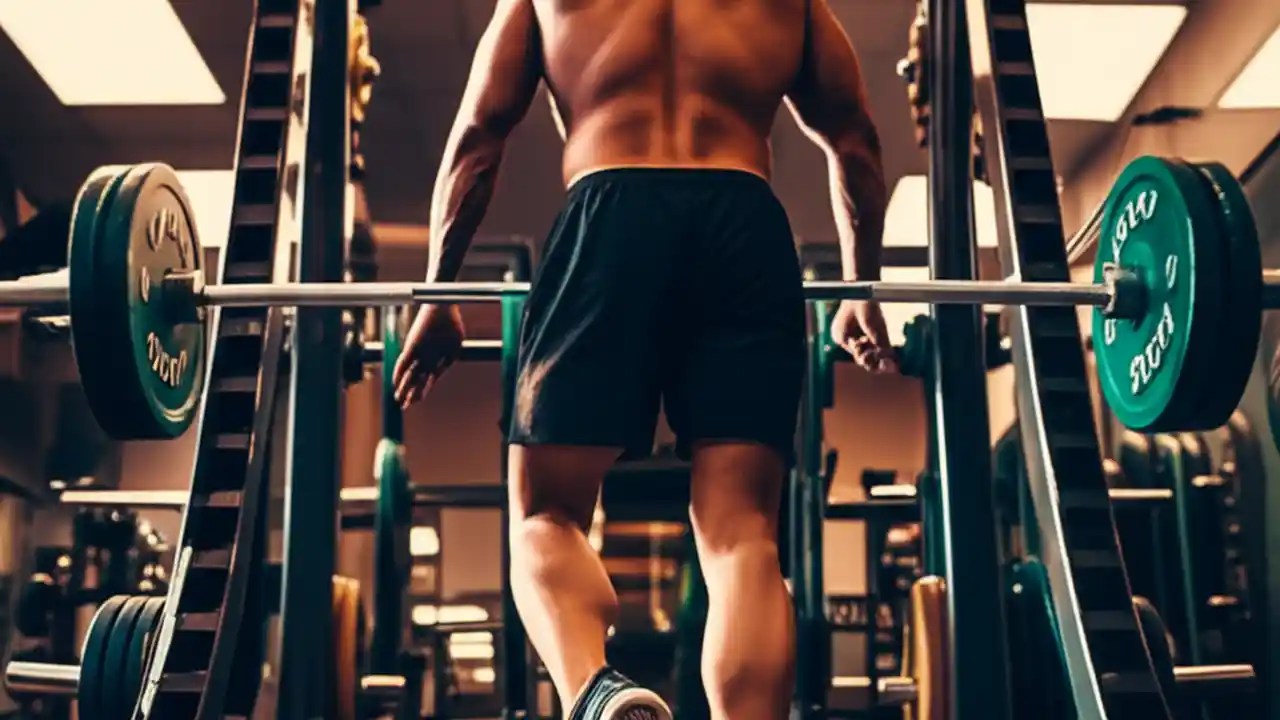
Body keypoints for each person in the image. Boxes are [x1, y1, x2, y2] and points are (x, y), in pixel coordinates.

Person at [392, 0, 891, 716]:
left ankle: (597, 690)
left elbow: (478, 135)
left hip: (608, 211)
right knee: (743, 533)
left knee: (547, 513)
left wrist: (438, 292)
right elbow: (856, 140)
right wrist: (859, 287)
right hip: (742, 223)